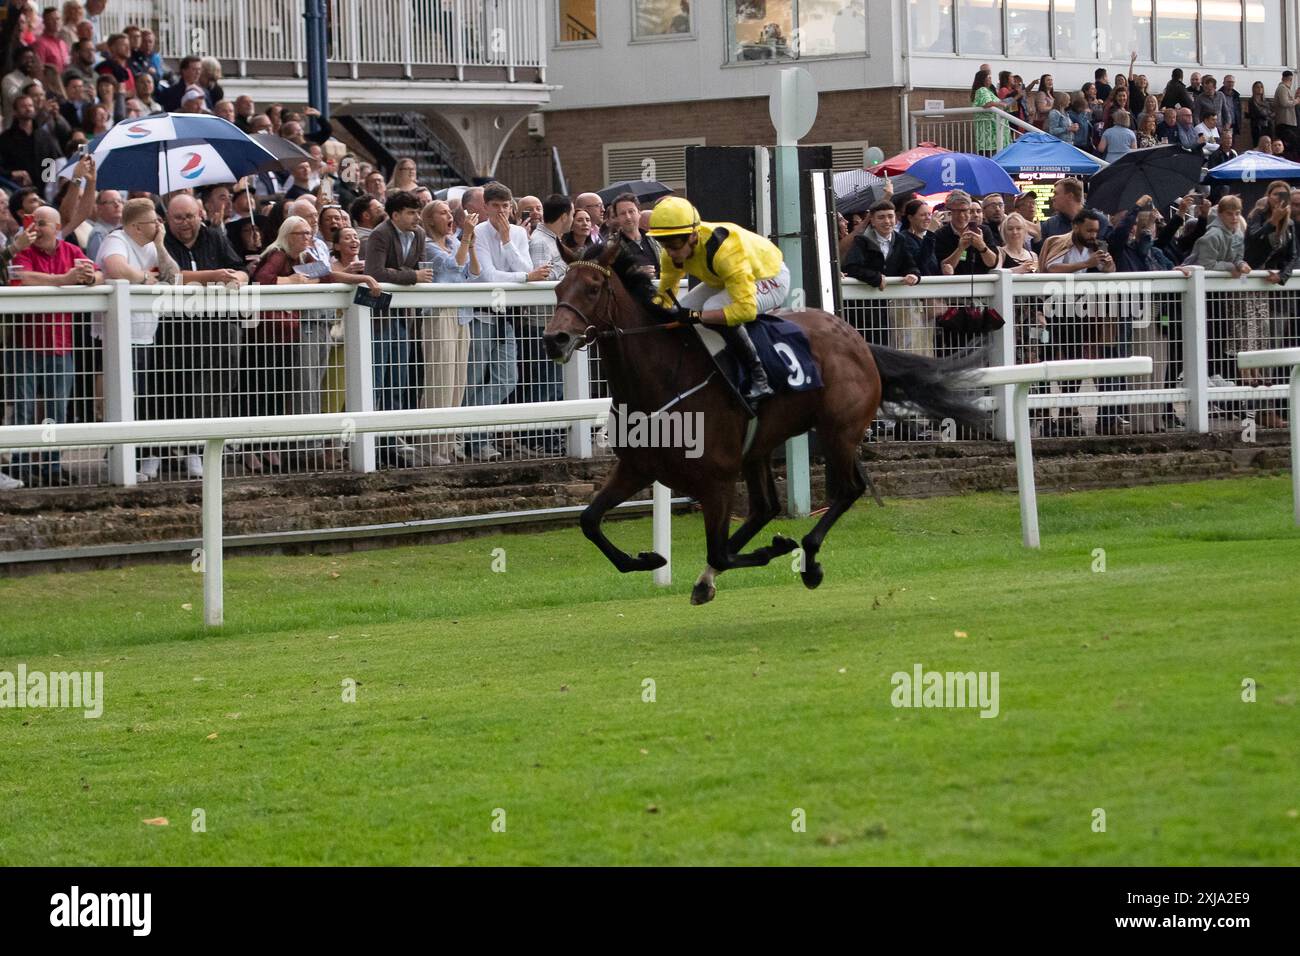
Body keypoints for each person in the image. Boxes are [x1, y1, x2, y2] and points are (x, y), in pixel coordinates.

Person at [645, 196, 789, 403]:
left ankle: (759, 376)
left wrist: (697, 316)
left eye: (675, 244)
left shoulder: (725, 251)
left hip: (769, 277)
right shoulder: (671, 252)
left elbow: (745, 310)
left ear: (693, 235)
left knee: (712, 308)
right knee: (682, 309)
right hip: (723, 278)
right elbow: (665, 296)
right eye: (663, 243)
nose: (669, 252)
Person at [7, 204, 101, 486]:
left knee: (56, 412)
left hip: (61, 346)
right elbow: (19, 278)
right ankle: (21, 467)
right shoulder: (24, 250)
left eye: (42, 223)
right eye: (32, 222)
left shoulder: (71, 251)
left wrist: (88, 278)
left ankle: (51, 467)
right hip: (25, 345)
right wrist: (64, 280)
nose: (35, 228)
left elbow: (98, 274)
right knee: (22, 410)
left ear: (58, 228)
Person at [95, 197, 183, 480]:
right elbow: (116, 268)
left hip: (145, 335)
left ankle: (133, 457)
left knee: (141, 400)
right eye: (154, 222)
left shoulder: (149, 246)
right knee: (123, 399)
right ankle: (117, 459)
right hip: (118, 335)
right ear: (136, 226)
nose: (159, 224)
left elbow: (174, 276)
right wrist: (146, 280)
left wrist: (159, 244)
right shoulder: (116, 239)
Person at [464, 181, 550, 459]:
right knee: (474, 379)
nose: (501, 211)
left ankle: (471, 433)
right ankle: (474, 442)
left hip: (508, 317)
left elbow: (527, 267)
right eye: (495, 206)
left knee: (507, 378)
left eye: (505, 206)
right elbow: (488, 276)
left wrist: (506, 239)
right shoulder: (477, 231)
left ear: (511, 207)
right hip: (481, 316)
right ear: (486, 207)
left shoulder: (517, 234)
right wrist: (524, 278)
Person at [363, 190, 432, 465]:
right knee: (377, 381)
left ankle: (390, 444)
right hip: (379, 317)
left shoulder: (419, 235)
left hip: (403, 317)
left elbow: (422, 266)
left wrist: (414, 275)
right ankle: (371, 444)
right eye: (411, 213)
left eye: (418, 212)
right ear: (394, 215)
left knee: (398, 382)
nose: (417, 217)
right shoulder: (379, 234)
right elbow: (375, 272)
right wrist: (411, 277)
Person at [417, 199, 480, 464]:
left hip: (462, 313)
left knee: (458, 380)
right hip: (439, 312)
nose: (449, 216)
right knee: (440, 377)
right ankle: (430, 444)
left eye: (448, 212)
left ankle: (448, 440)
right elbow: (452, 266)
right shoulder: (428, 247)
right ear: (430, 220)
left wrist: (471, 242)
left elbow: (474, 272)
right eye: (442, 213)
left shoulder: (456, 242)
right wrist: (465, 237)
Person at [842, 198, 921, 347]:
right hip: (863, 307)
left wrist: (914, 275)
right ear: (872, 220)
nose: (887, 221)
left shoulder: (900, 239)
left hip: (889, 306)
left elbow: (910, 265)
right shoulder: (862, 240)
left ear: (896, 218)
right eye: (881, 217)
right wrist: (876, 278)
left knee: (890, 346)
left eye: (890, 216)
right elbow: (851, 267)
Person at [971, 69, 1006, 155]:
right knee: (991, 158)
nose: (991, 79)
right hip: (989, 133)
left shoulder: (987, 91)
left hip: (992, 132)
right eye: (989, 77)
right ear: (983, 79)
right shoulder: (982, 90)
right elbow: (987, 103)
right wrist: (1001, 104)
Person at [1248, 80, 1275, 146]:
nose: (1260, 89)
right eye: (1257, 87)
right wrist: (1269, 114)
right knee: (1258, 144)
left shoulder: (1266, 101)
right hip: (1258, 127)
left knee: (1269, 144)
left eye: (1261, 87)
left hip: (1268, 126)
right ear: (1254, 89)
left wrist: (1269, 115)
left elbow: (1273, 113)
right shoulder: (1251, 101)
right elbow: (1259, 113)